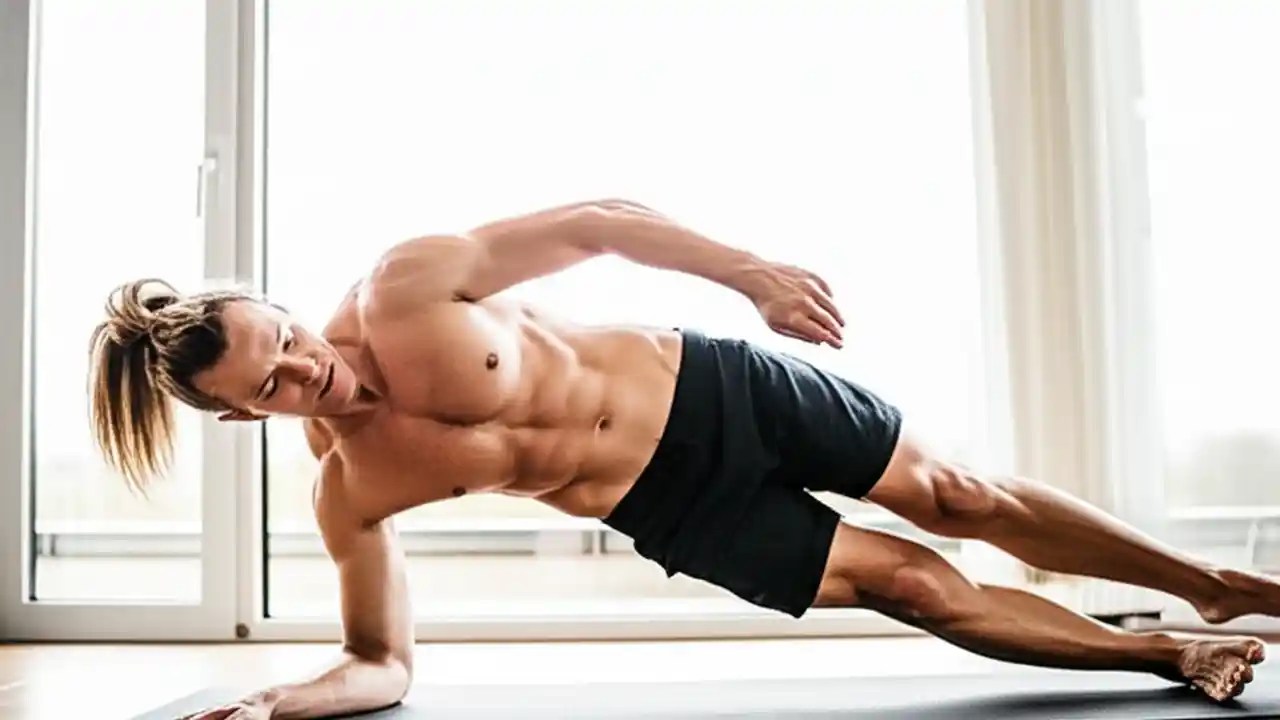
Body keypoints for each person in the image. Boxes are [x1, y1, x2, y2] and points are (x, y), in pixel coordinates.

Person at [91, 200, 1272, 719]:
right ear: (243, 417)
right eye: (275, 384)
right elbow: (380, 663)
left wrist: (746, 271)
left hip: (710, 386)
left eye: (286, 337)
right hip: (666, 502)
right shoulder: (354, 488)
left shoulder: (404, 286)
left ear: (282, 308)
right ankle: (1172, 651)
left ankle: (1208, 582)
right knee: (915, 590)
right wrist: (291, 697)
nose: (309, 369)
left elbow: (600, 219)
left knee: (956, 497)